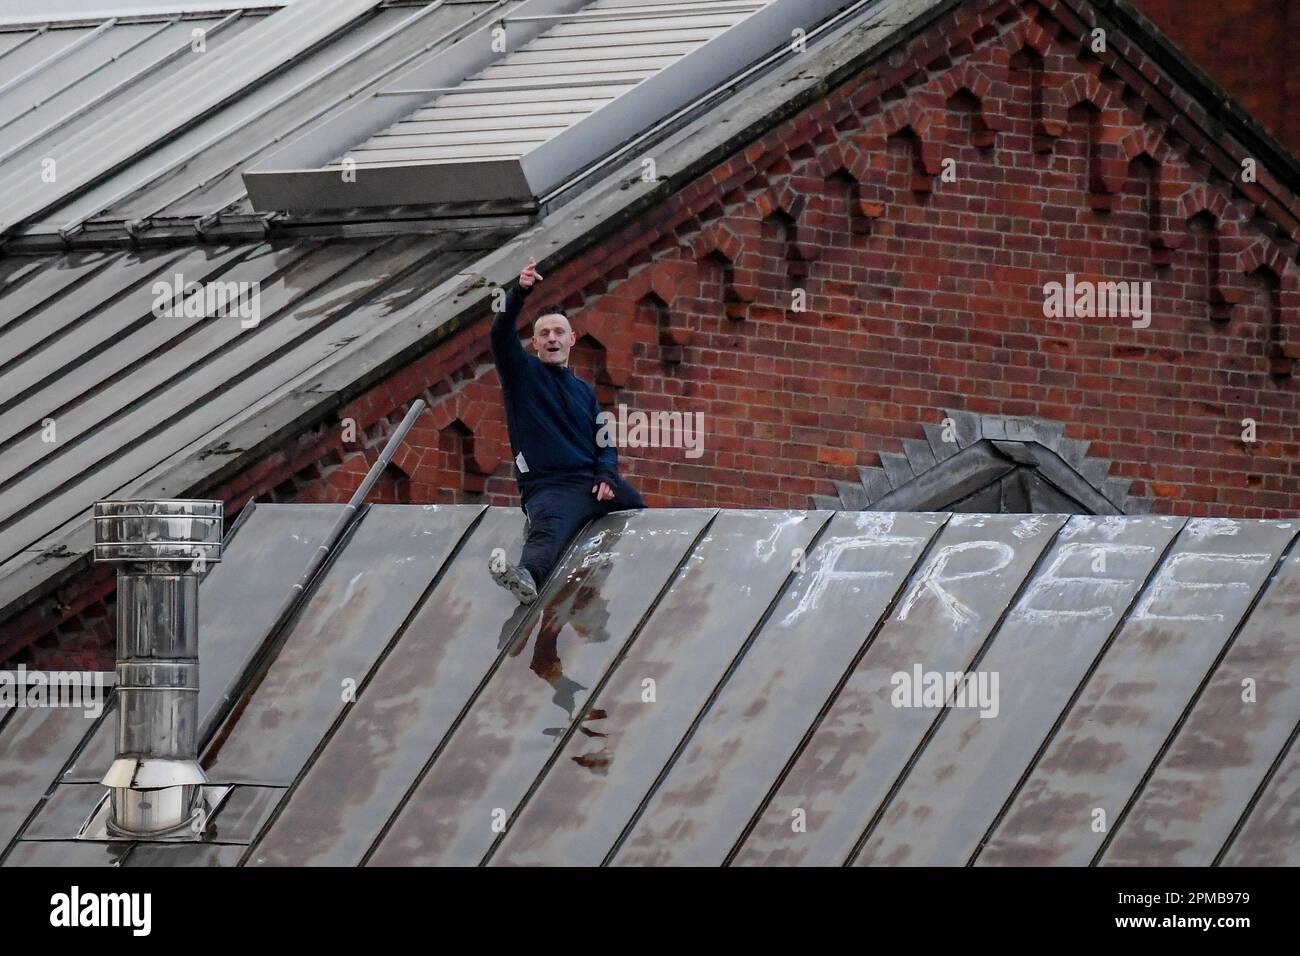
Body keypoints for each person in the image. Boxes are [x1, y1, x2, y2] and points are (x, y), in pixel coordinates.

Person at [487, 256, 645, 603]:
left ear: (572, 339)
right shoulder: (522, 375)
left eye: (559, 332)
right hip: (549, 486)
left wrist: (606, 475)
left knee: (639, 510)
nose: (552, 338)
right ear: (535, 344)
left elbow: (604, 439)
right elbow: (499, 334)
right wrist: (519, 291)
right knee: (548, 530)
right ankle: (524, 579)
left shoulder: (584, 391)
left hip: (591, 484)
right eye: (544, 334)